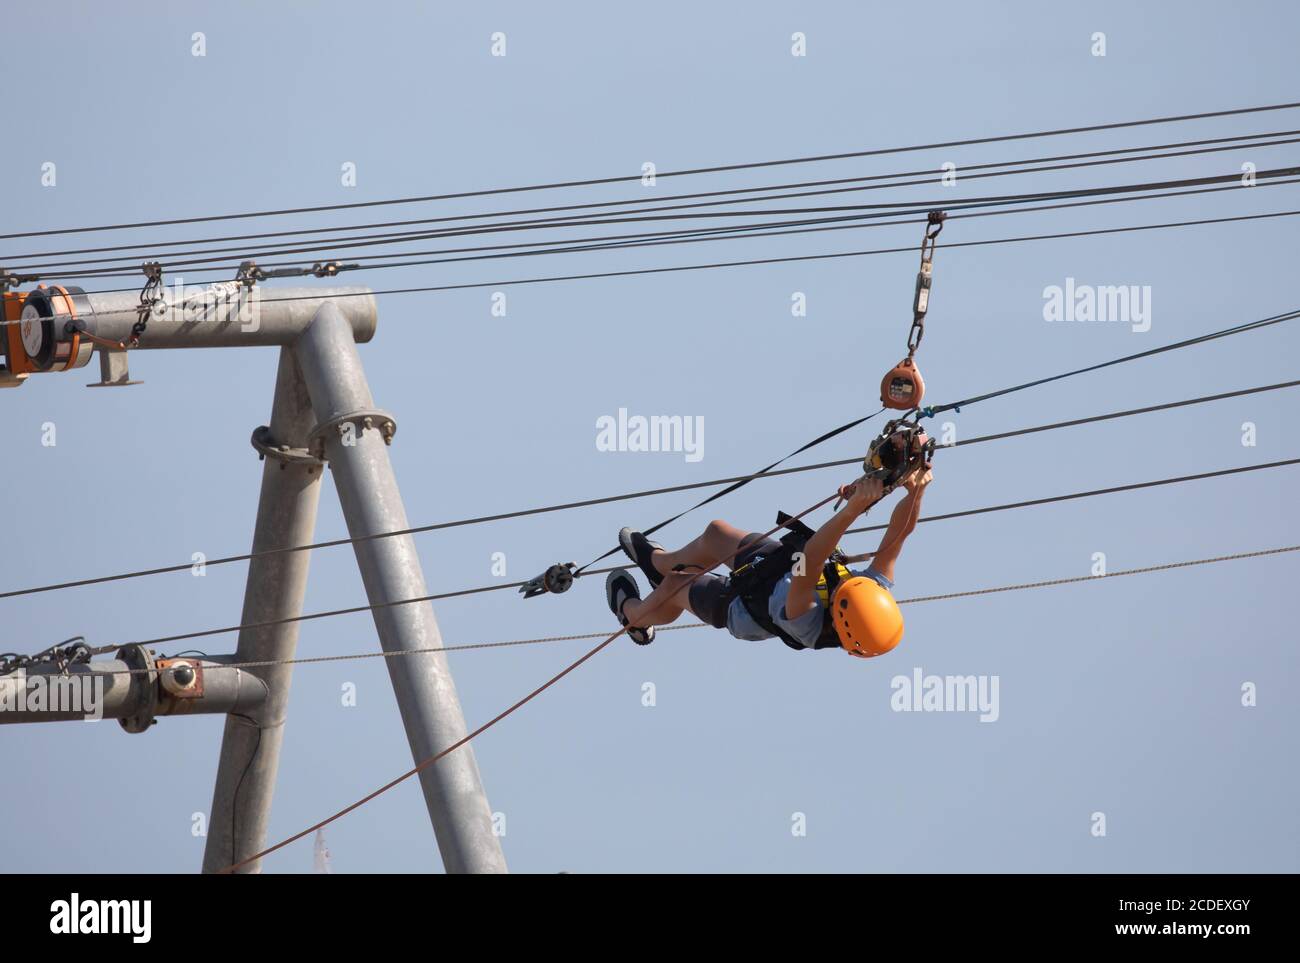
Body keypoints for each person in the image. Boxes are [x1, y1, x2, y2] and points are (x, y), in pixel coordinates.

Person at [606, 462, 933, 657]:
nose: (848, 583)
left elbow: (813, 558)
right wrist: (915, 491)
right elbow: (898, 536)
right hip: (781, 567)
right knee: (716, 533)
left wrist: (851, 510)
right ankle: (657, 563)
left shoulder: (805, 621)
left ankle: (633, 616)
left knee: (677, 585)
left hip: (744, 607)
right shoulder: (867, 594)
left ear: (839, 614)